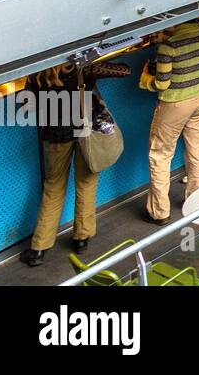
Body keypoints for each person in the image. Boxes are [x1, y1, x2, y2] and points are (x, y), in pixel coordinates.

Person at [18, 58, 131, 267]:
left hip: (55, 135)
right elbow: (125, 71)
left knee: (53, 188)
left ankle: (39, 249)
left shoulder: (37, 75)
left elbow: (26, 107)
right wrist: (94, 61)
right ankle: (81, 238)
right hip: (85, 133)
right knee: (86, 184)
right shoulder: (82, 70)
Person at [145, 19, 199, 225]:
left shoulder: (169, 46)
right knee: (197, 147)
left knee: (160, 153)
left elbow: (162, 83)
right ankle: (198, 200)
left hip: (175, 103)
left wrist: (145, 80)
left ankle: (159, 212)